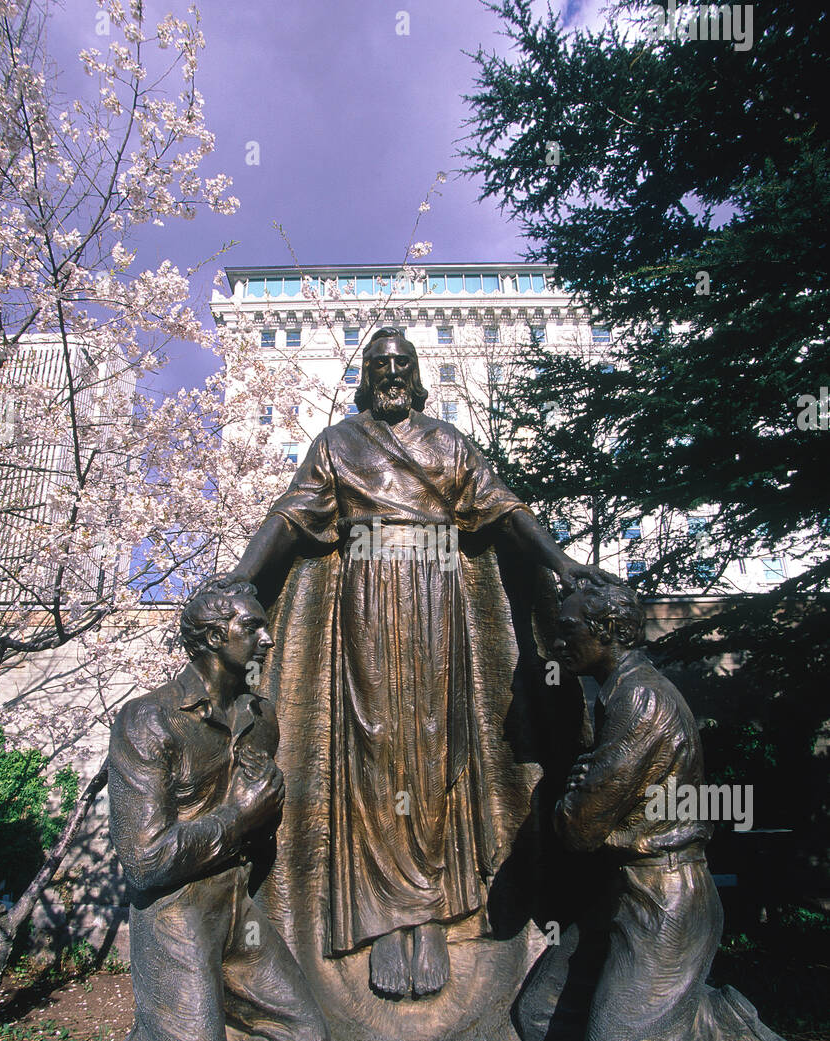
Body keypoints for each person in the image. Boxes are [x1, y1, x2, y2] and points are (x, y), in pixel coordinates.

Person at [231, 327, 607, 1000]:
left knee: (436, 746)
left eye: (402, 364)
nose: (392, 374)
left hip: (437, 601)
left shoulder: (448, 443)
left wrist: (562, 563)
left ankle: (428, 915)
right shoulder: (336, 445)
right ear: (366, 375)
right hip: (368, 601)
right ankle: (380, 921)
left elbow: (506, 508)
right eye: (380, 365)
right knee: (373, 748)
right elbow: (289, 516)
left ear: (417, 373)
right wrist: (239, 577)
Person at [0, 579, 329, 1041]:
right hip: (176, 918)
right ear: (215, 639)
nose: (269, 639)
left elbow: (261, 818)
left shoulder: (258, 716)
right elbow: (143, 860)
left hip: (235, 912)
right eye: (255, 628)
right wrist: (238, 817)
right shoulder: (148, 722)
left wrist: (264, 811)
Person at [527, 579, 830, 1041]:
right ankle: (700, 1021)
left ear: (609, 631)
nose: (558, 638)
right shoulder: (611, 694)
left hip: (660, 903)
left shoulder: (640, 703)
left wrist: (569, 795)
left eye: (569, 628)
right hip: (615, 897)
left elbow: (580, 829)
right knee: (540, 1016)